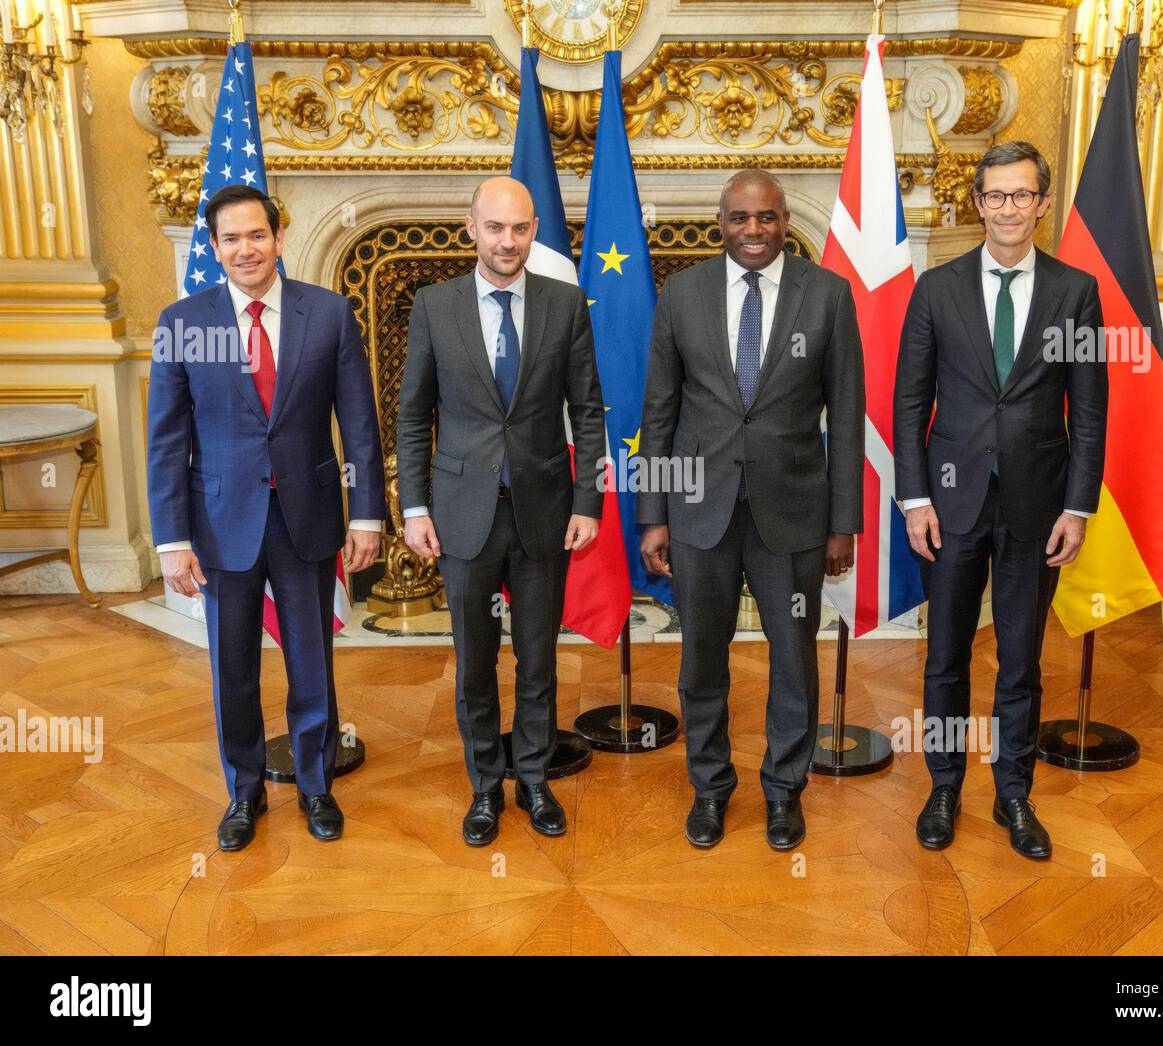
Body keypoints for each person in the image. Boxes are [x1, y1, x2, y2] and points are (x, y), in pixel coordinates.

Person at [148, 184, 384, 850]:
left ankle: (315, 786)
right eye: (231, 238)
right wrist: (171, 540)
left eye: (257, 235)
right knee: (233, 668)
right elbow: (166, 437)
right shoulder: (183, 322)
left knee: (313, 661)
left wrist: (366, 514)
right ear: (214, 247)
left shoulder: (330, 315)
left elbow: (359, 426)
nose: (246, 249)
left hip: (308, 515)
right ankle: (244, 794)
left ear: (279, 237)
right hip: (221, 523)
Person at [638, 169, 865, 851]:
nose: (755, 230)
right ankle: (710, 789)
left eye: (767, 217)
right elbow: (660, 411)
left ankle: (783, 792)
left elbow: (846, 415)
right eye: (741, 218)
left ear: (785, 220)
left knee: (793, 657)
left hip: (793, 515)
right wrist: (654, 515)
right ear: (721, 222)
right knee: (701, 659)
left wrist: (842, 522)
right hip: (699, 515)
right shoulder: (682, 293)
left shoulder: (826, 296)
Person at [894, 141, 1108, 860]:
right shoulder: (937, 288)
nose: (1008, 209)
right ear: (978, 203)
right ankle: (944, 785)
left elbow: (1090, 408)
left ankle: (1013, 792)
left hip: (1037, 511)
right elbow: (909, 402)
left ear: (1043, 204)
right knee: (946, 657)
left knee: (1020, 657)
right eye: (996, 196)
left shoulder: (1076, 292)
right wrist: (914, 497)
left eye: (1022, 196)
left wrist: (1077, 508)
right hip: (948, 509)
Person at [397, 176, 605, 847]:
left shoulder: (566, 305)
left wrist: (588, 502)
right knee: (476, 659)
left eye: (520, 228)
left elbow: (589, 411)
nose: (507, 241)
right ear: (471, 228)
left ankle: (535, 779)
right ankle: (485, 785)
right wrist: (415, 505)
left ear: (534, 230)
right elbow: (411, 415)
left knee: (538, 658)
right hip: (462, 514)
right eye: (495, 228)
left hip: (546, 511)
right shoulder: (435, 305)